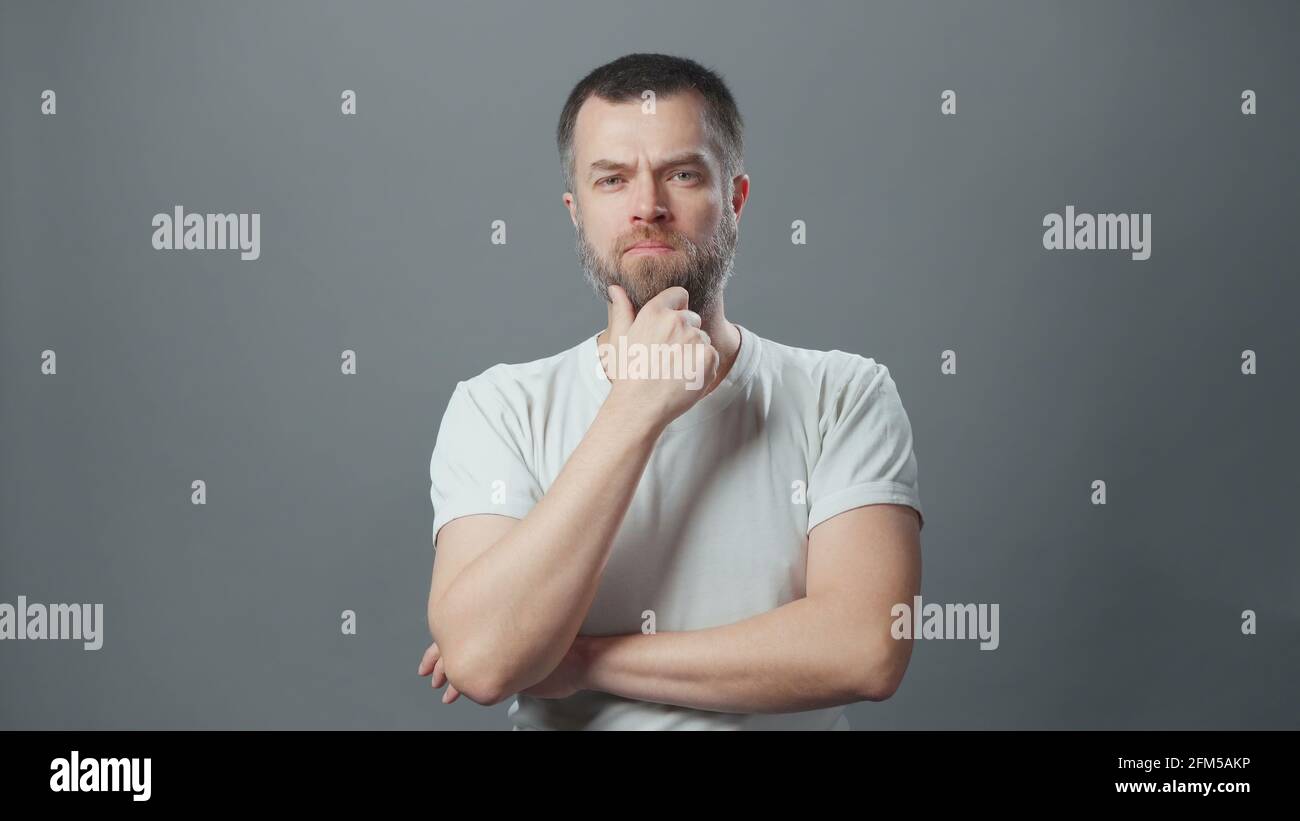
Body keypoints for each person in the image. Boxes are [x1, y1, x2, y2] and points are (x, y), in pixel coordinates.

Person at [417, 53, 925, 730]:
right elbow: (482, 660)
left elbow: (865, 650)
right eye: (612, 179)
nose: (647, 207)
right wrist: (634, 411)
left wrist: (583, 661)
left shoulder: (846, 395)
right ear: (576, 211)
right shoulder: (497, 407)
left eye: (682, 174)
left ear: (736, 200)